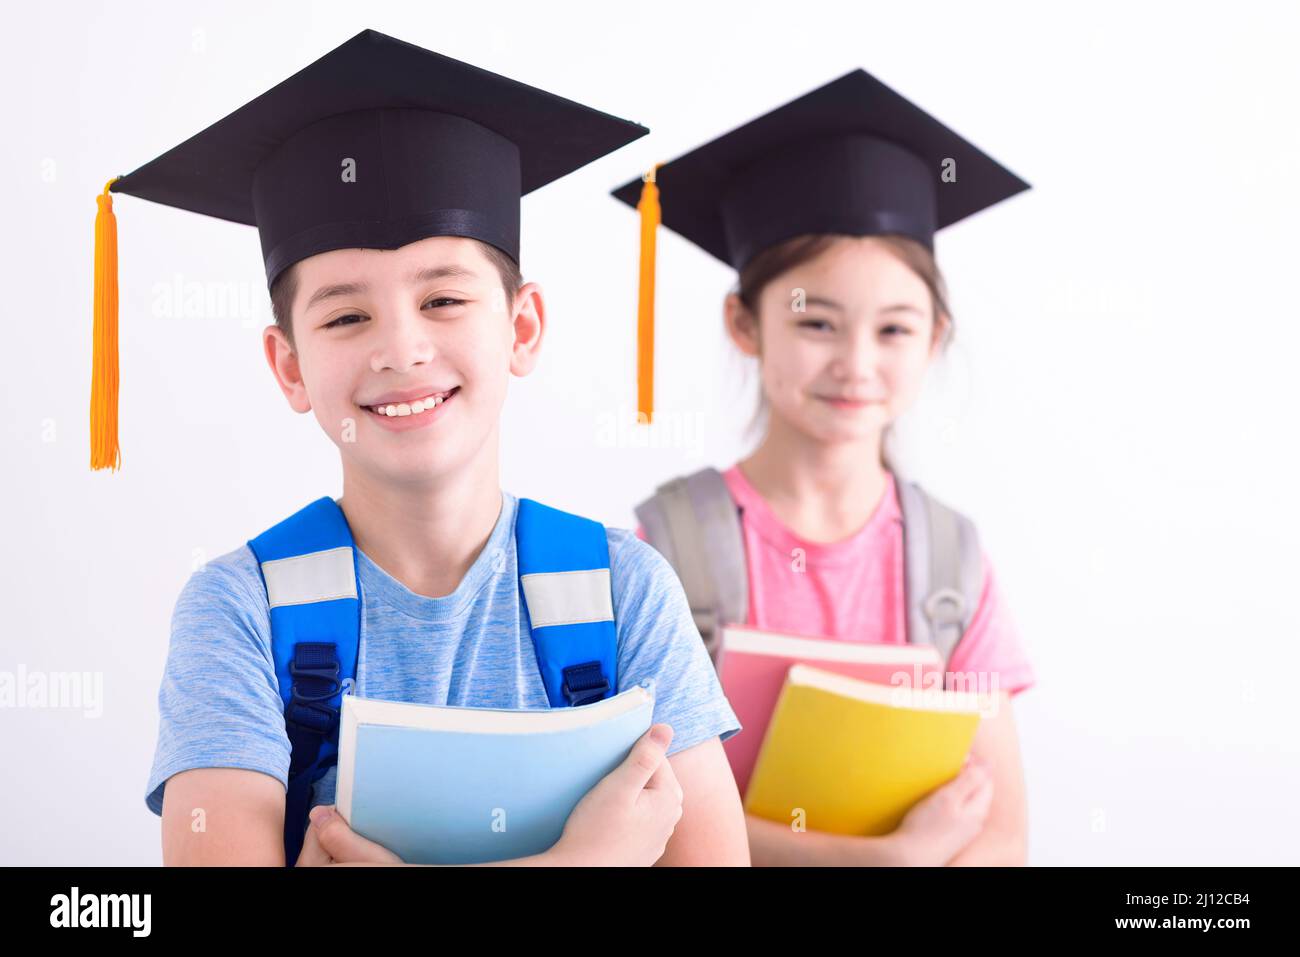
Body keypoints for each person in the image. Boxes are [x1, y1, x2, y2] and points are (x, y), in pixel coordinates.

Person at [110, 29, 746, 866]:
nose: (401, 348)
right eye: (345, 316)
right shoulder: (237, 613)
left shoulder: (624, 592)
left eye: (444, 298)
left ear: (521, 328)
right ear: (289, 365)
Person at [612, 69, 1035, 865]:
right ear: (745, 322)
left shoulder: (953, 563)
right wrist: (881, 861)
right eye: (818, 322)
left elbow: (999, 835)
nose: (855, 363)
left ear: (935, 336)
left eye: (894, 330)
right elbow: (643, 823)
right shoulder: (664, 550)